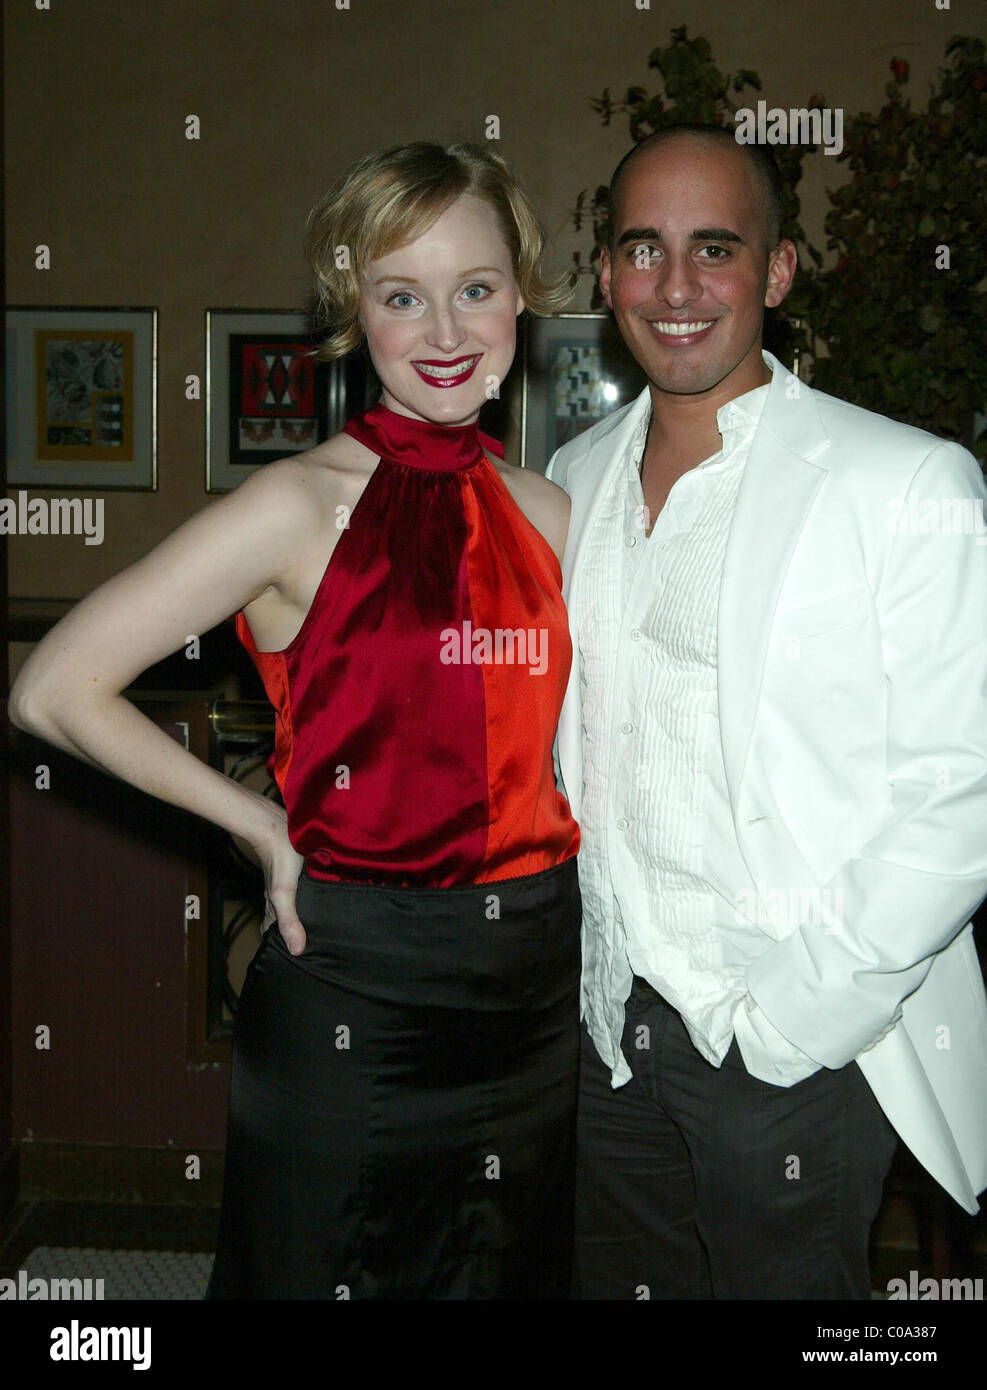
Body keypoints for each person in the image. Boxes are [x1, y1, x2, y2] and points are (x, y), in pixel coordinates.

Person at [8, 141, 583, 1299]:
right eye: (400, 296)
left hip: (533, 980)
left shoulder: (552, 509)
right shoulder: (294, 504)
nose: (444, 330)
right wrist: (258, 826)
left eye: (474, 288)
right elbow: (51, 686)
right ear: (352, 309)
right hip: (355, 984)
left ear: (520, 291)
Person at [546, 123, 987, 1300]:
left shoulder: (905, 484)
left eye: (715, 248)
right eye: (644, 248)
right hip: (609, 1036)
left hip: (788, 1036)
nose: (676, 286)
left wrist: (793, 1020)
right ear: (604, 275)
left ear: (779, 272)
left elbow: (961, 797)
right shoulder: (571, 476)